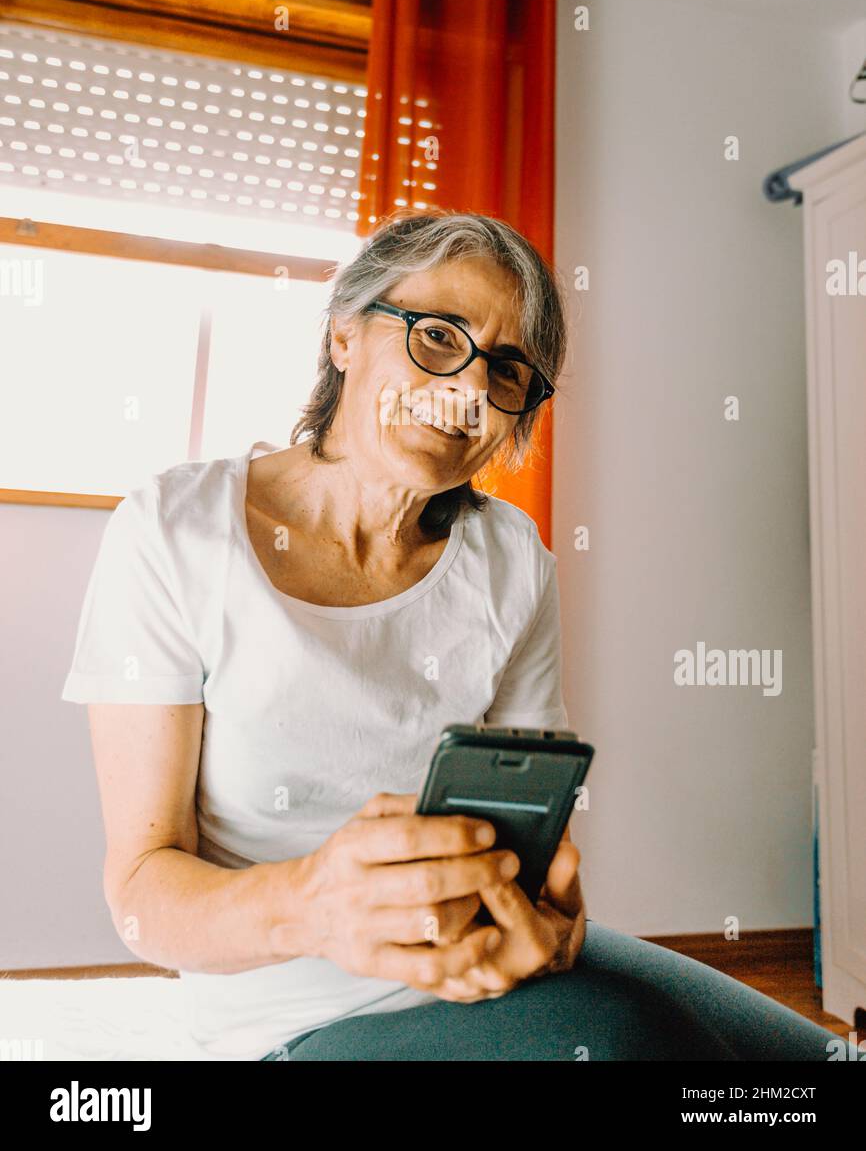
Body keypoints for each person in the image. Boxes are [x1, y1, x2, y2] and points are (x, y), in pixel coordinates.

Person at [63, 209, 838, 1061]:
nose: (469, 390)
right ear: (344, 337)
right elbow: (141, 891)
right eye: (437, 336)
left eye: (507, 369)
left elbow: (530, 836)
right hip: (301, 1019)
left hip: (488, 969)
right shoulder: (174, 532)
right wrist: (315, 905)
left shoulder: (512, 559)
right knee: (629, 1045)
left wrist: (546, 920)